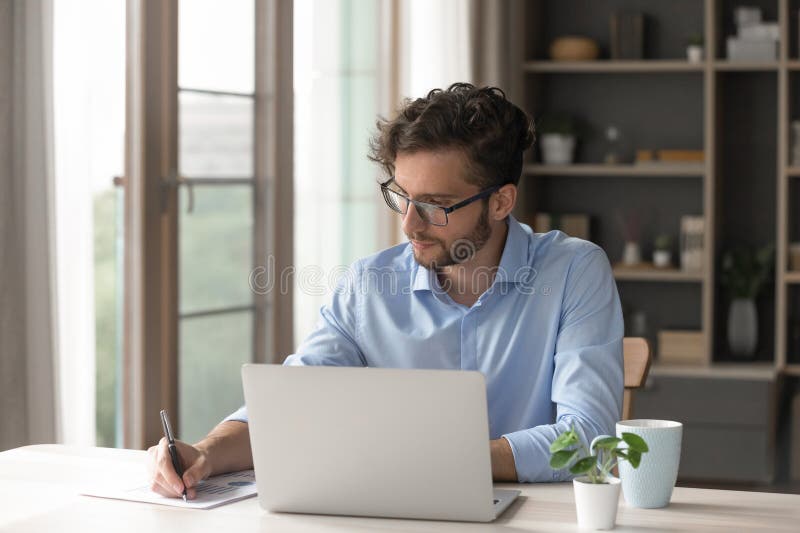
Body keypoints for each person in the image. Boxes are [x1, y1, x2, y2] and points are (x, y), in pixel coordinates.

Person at [147, 83, 623, 499]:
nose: (410, 224)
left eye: (435, 205)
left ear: (500, 201)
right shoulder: (366, 285)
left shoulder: (573, 272)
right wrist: (205, 453)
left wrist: (437, 460)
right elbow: (292, 404)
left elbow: (590, 441)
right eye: (402, 196)